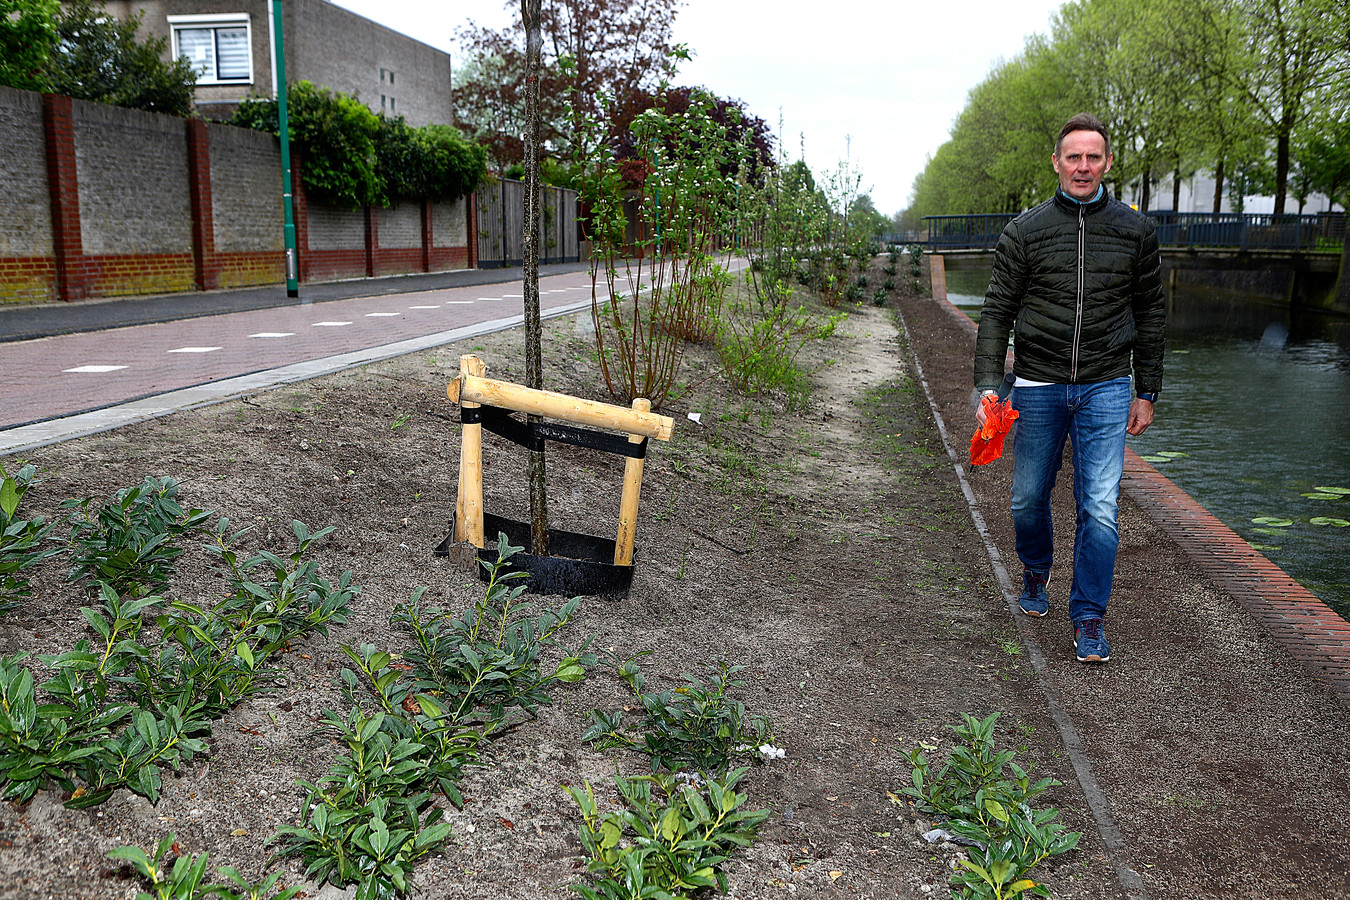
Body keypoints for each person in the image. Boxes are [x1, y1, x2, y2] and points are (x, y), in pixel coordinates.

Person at [973, 112, 1166, 664]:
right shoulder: (1025, 231)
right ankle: (1037, 570)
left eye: (1093, 157)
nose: (1083, 166)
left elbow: (1151, 313)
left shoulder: (1136, 231)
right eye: (1074, 157)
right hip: (1036, 383)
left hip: (1107, 384)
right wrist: (988, 385)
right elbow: (997, 311)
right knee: (1027, 497)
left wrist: (1147, 389)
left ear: (1108, 162)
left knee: (1099, 506)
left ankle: (1088, 617)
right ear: (1056, 162)